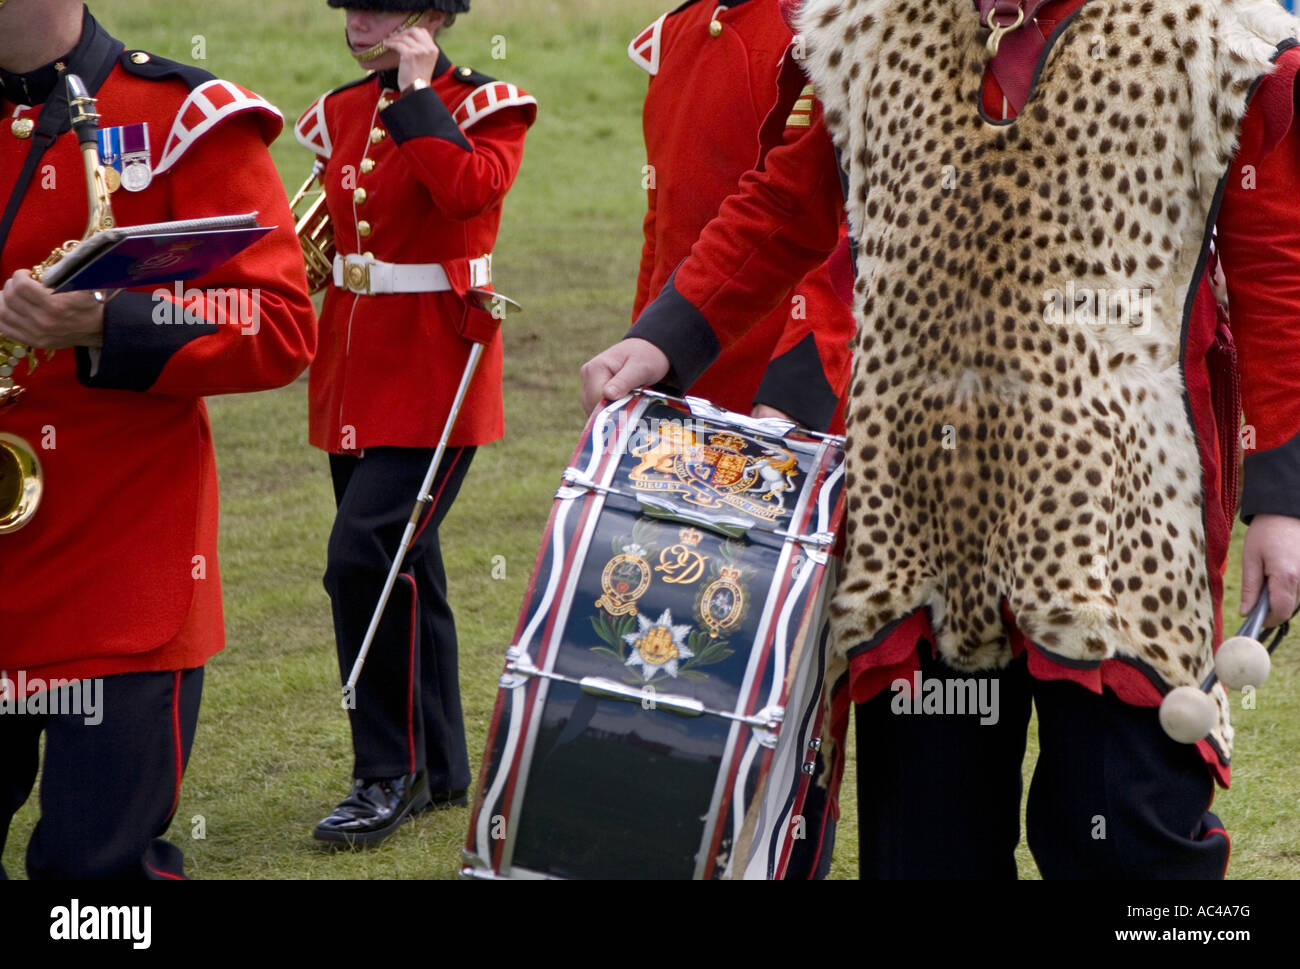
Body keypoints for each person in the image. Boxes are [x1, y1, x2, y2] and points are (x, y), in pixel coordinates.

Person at [581, 0, 1300, 878]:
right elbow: (788, 204)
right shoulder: (875, 33)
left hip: (1122, 520)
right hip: (921, 522)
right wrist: (664, 339)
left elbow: (1277, 279)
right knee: (928, 846)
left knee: (1126, 839)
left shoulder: (1216, 43)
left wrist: (1282, 499)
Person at [0, 0, 316, 878]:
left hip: (117, 574)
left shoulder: (181, 116)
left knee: (92, 877)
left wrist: (107, 325)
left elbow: (276, 322)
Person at [296, 1, 536, 846]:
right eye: (353, 5)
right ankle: (438, 766)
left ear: (431, 15)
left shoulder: (484, 103)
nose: (360, 19)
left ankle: (382, 771)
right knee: (409, 564)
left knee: (362, 558)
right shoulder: (337, 110)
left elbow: (468, 189)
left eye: (382, 6)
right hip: (357, 372)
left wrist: (416, 89)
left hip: (440, 373)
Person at [629, 0, 855, 432]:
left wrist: (794, 388)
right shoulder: (673, 34)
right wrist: (647, 338)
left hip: (779, 394)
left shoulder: (830, 23)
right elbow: (661, 227)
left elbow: (840, 224)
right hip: (683, 357)